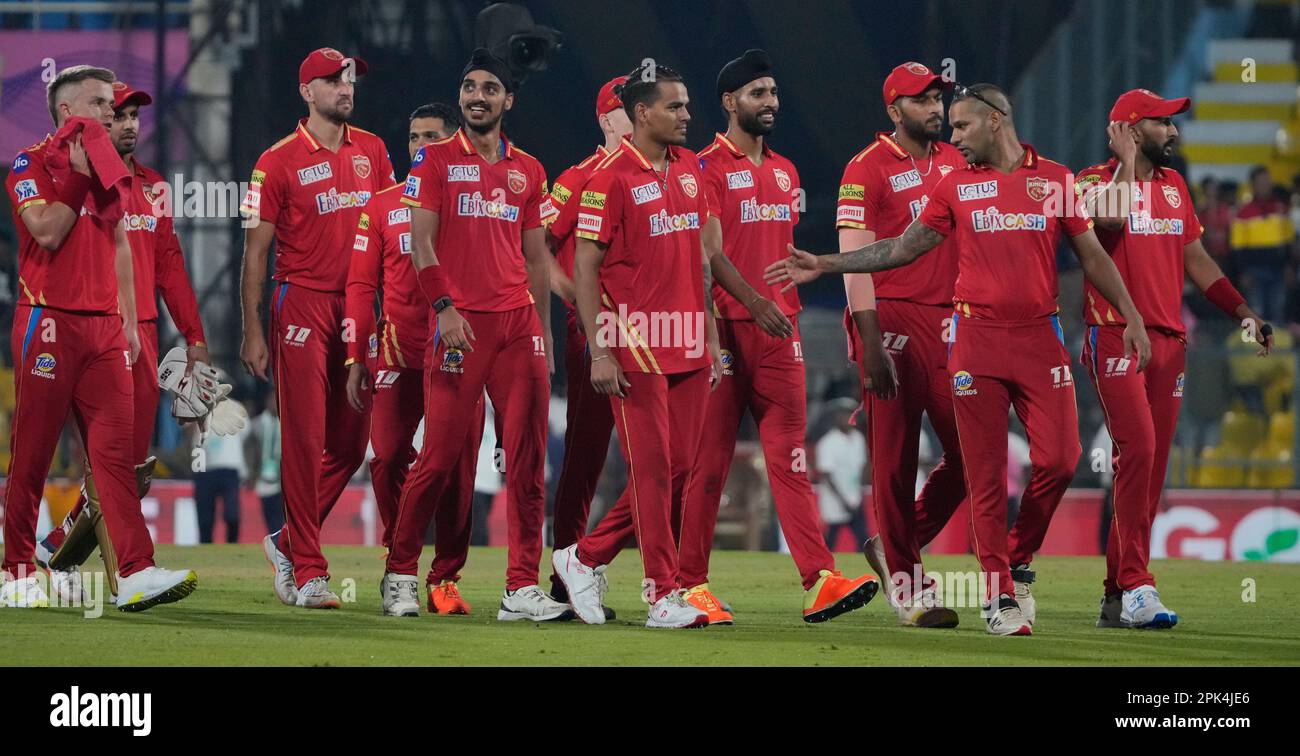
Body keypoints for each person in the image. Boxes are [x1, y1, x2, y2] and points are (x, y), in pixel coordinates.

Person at [767, 83, 1153, 636]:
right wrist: (825, 264)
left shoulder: (1057, 180)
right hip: (972, 337)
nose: (953, 137)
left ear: (995, 121)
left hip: (1039, 338)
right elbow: (901, 247)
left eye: (962, 126)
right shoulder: (952, 185)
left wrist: (1131, 316)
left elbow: (1092, 254)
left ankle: (1016, 558)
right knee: (983, 472)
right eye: (948, 126)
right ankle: (997, 597)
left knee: (1062, 459)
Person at [678, 49, 878, 625]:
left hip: (779, 330)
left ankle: (819, 579)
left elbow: (773, 251)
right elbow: (707, 254)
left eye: (773, 93)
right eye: (758, 93)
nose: (771, 102)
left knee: (790, 459)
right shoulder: (704, 168)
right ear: (729, 102)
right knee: (708, 467)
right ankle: (688, 585)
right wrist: (748, 306)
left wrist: (790, 287)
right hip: (724, 330)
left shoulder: (787, 171)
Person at [1076, 89, 1272, 628]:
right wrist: (1124, 165)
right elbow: (1107, 227)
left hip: (1170, 343)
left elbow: (1198, 261)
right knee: (1136, 449)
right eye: (1164, 123)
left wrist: (1243, 312)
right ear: (1133, 131)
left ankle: (1115, 598)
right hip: (1115, 335)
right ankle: (1140, 586)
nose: (1176, 132)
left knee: (1151, 467)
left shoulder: (1175, 186)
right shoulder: (1091, 181)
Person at [2, 64, 195, 610]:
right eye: (102, 104)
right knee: (33, 454)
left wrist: (130, 318)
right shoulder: (29, 163)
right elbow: (45, 229)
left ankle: (134, 571)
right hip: (48, 321)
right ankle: (14, 568)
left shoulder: (107, 163)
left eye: (114, 105)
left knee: (116, 459)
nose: (113, 112)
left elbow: (118, 240)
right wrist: (82, 175)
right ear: (69, 112)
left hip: (105, 329)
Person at [383, 49, 563, 622]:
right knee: (436, 460)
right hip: (461, 325)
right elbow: (421, 243)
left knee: (529, 462)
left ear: (508, 100)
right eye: (468, 87)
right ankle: (400, 573)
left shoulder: (529, 169)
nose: (476, 96)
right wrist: (444, 309)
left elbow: (537, 256)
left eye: (489, 88)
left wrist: (544, 332)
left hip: (517, 326)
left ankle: (519, 587)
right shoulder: (432, 161)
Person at [550, 61, 720, 629]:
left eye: (687, 105)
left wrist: (712, 333)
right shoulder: (607, 178)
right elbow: (587, 266)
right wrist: (601, 348)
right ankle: (662, 595)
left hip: (690, 338)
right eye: (676, 106)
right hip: (636, 340)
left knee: (682, 468)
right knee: (651, 472)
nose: (687, 115)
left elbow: (700, 260)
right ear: (642, 113)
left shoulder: (692, 168)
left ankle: (584, 557)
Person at [239, 48, 394, 609]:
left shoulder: (373, 151)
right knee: (303, 441)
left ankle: (284, 541)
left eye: (348, 79)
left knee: (352, 444)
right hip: (299, 303)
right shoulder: (273, 162)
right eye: (332, 80)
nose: (344, 88)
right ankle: (308, 570)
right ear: (307, 92)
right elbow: (255, 252)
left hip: (358, 308)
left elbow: (389, 231)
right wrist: (252, 329)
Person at [836, 62, 969, 628]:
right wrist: (870, 343)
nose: (935, 109)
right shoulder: (864, 169)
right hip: (889, 319)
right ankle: (911, 586)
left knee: (971, 455)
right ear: (894, 110)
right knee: (894, 462)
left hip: (951, 322)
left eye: (938, 99)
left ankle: (895, 548)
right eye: (922, 101)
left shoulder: (959, 161)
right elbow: (854, 258)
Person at [344, 102, 480, 615]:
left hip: (458, 353)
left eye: (431, 137)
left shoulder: (471, 201)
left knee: (458, 470)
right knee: (385, 457)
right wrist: (356, 353)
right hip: (399, 353)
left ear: (451, 143)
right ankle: (397, 555)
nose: (419, 146)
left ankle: (445, 577)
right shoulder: (380, 206)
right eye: (413, 136)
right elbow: (360, 284)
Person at [544, 76, 632, 611]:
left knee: (662, 458)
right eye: (627, 109)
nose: (638, 114)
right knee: (585, 459)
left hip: (656, 332)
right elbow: (537, 248)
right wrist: (576, 301)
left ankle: (654, 577)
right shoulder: (579, 178)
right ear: (606, 120)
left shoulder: (667, 173)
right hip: (598, 334)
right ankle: (566, 574)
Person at [816, 399, 868, 551]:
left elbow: (862, 467)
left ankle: (864, 569)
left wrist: (858, 495)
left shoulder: (858, 438)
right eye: (844, 414)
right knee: (830, 541)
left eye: (850, 414)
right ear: (836, 418)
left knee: (863, 539)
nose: (848, 418)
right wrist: (844, 501)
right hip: (835, 501)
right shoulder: (828, 442)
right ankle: (822, 568)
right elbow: (827, 475)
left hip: (855, 498)